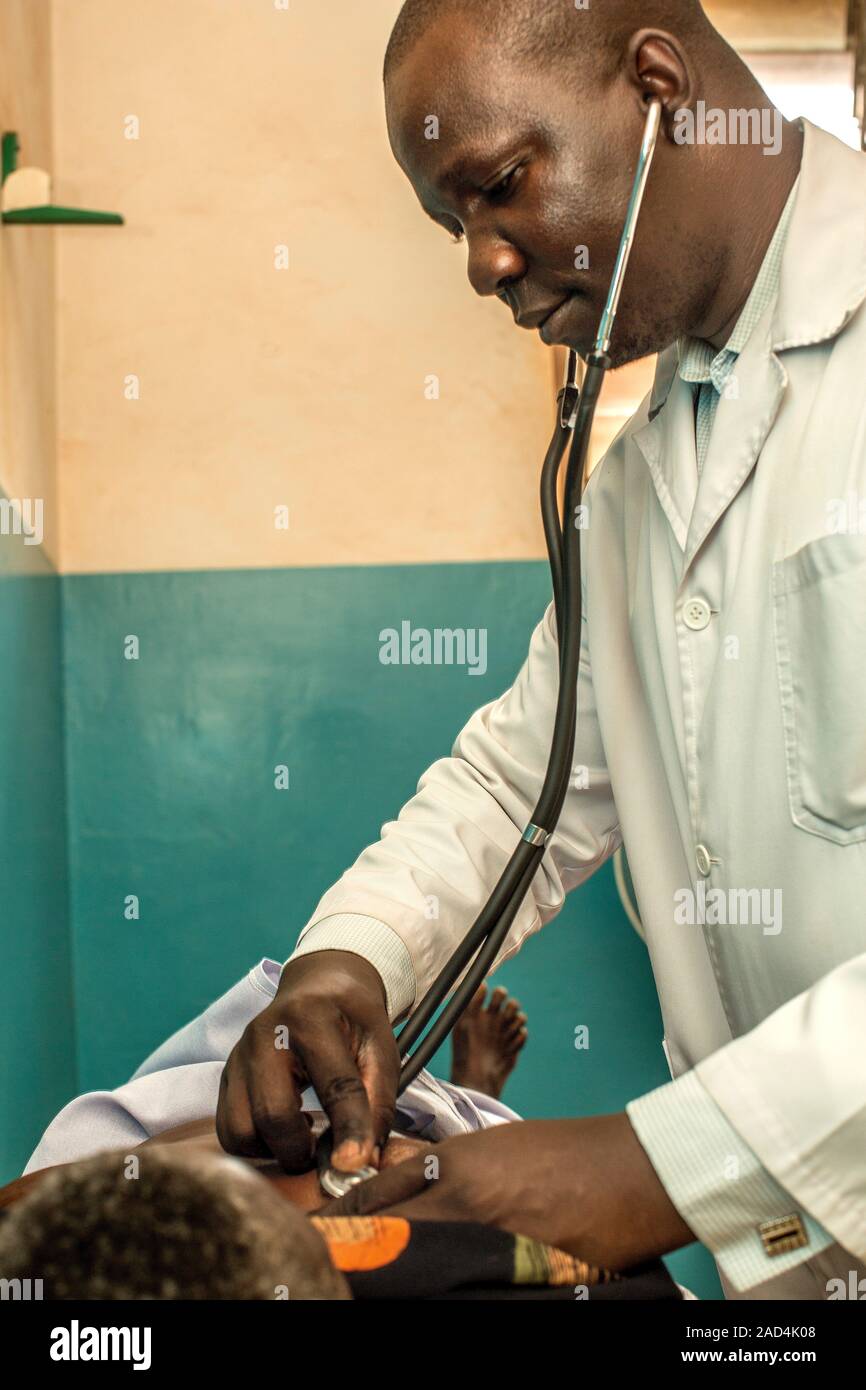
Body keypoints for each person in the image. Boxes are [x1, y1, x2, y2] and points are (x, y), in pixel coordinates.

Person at [216, 0, 866, 1301]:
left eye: (500, 186)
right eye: (452, 223)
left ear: (659, 84)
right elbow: (525, 784)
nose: (480, 265)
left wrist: (652, 1165)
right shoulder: (637, 483)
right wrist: (351, 954)